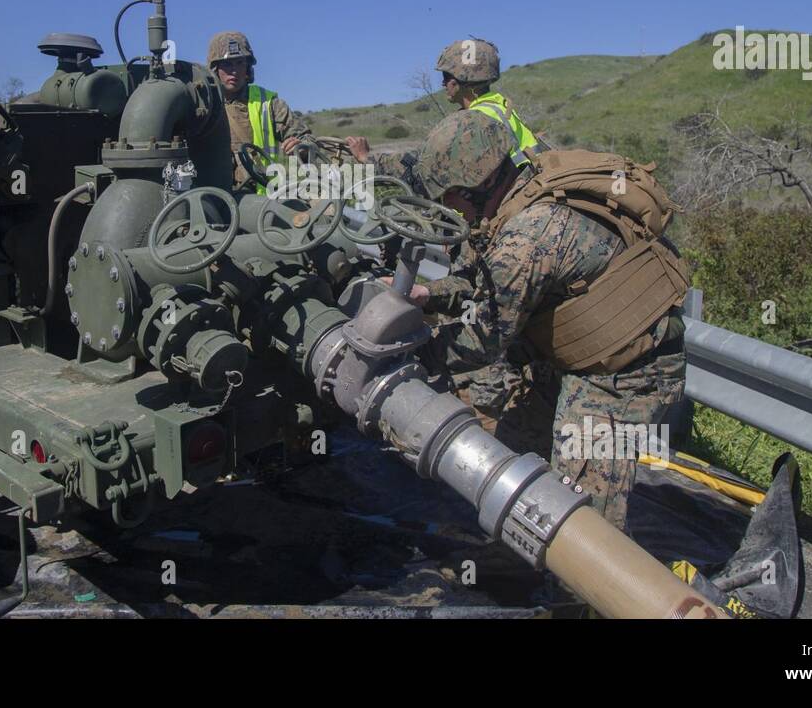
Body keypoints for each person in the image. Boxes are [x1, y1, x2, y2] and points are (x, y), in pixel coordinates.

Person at [405, 111, 690, 532]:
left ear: (475, 187)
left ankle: (586, 594)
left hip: (622, 377)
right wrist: (430, 294)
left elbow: (484, 339)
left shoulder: (528, 236)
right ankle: (517, 562)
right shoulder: (521, 195)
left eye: (450, 198)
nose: (449, 209)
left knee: (581, 516)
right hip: (572, 359)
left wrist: (416, 355)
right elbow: (481, 283)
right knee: (511, 463)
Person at [344, 37, 545, 182]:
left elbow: (422, 168)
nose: (443, 84)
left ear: (460, 81)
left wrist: (367, 158)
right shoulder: (499, 106)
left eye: (446, 77)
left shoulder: (474, 121)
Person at [207, 31, 311, 191]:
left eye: (239, 63)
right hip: (216, 198)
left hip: (264, 200)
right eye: (227, 64)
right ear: (215, 69)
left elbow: (305, 139)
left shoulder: (268, 102)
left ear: (248, 67)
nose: (234, 71)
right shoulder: (204, 105)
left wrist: (301, 148)